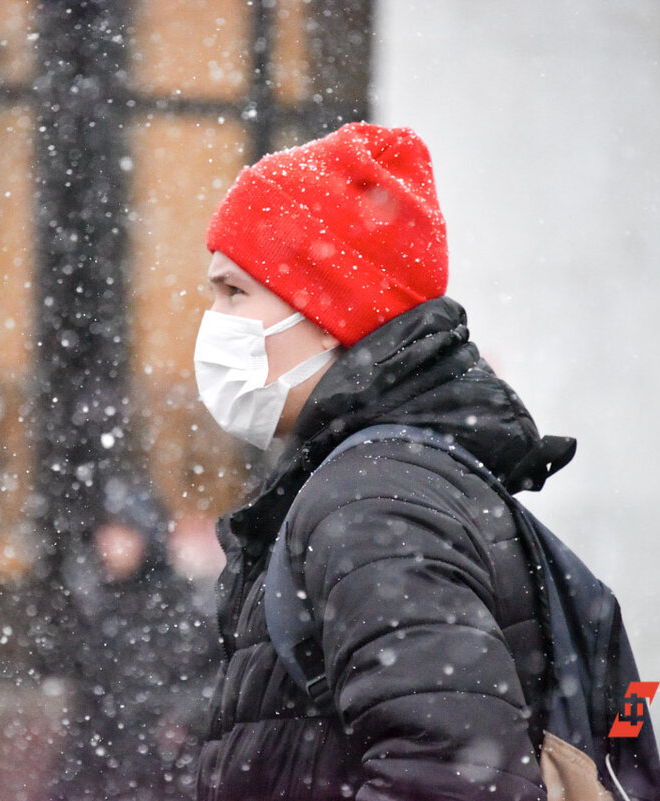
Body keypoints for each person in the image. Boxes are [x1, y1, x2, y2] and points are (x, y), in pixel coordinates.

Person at [192, 122, 580, 800]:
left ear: (326, 312)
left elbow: (454, 779)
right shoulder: (375, 483)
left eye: (234, 293)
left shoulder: (371, 504)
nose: (213, 322)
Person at [51, 476, 220, 801]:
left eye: (123, 532)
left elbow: (213, 681)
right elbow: (92, 704)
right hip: (106, 762)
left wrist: (178, 719)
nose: (109, 545)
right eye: (106, 532)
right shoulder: (100, 606)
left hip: (165, 769)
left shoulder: (181, 607)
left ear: (146, 534)